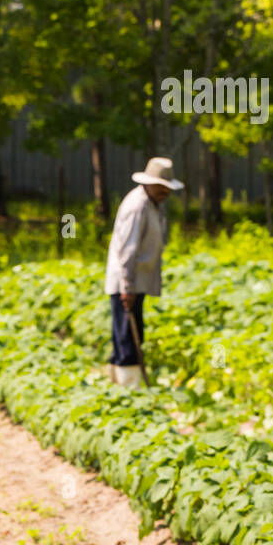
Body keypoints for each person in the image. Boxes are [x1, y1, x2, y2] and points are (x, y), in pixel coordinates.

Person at [104, 156, 183, 387]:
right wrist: (127, 289)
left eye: (167, 188)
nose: (165, 192)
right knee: (127, 338)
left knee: (129, 332)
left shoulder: (152, 204)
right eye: (162, 187)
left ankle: (118, 386)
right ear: (149, 183)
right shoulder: (137, 206)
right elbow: (127, 250)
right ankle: (129, 391)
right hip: (126, 283)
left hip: (136, 282)